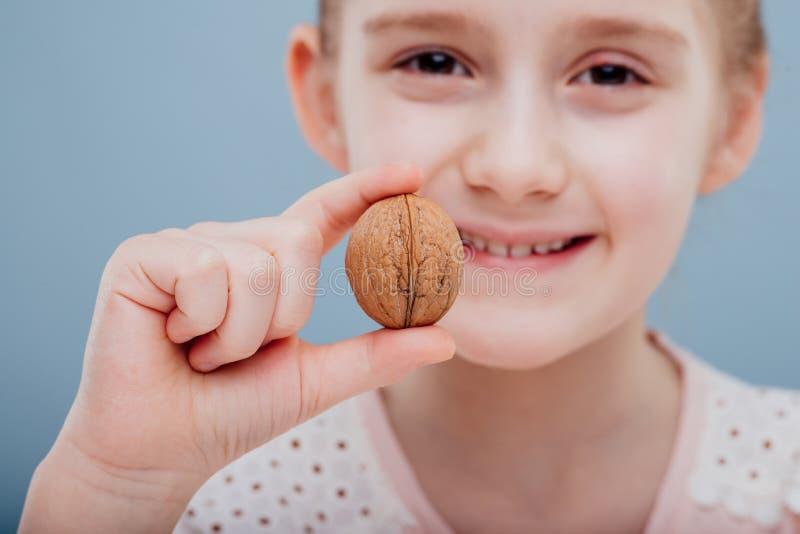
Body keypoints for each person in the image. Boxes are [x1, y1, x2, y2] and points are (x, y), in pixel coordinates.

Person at [19, 0, 798, 532]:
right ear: (324, 98)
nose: (514, 165)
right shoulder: (210, 504)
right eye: (434, 60)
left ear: (731, 120)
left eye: (611, 73)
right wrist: (111, 494)